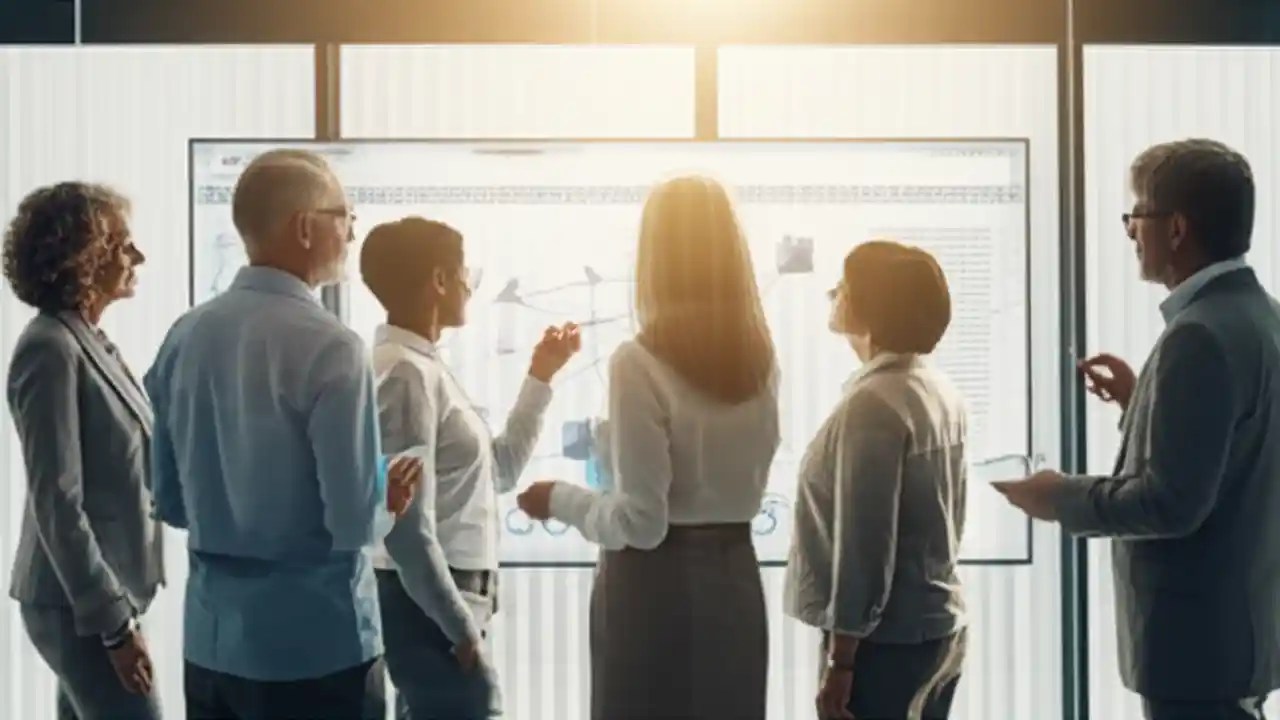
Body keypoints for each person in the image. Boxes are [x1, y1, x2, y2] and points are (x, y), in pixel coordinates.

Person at [996, 139, 1280, 720]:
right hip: (1238, 637)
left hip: (1197, 652)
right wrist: (1139, 402)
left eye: (1136, 215)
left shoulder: (1197, 336)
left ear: (1176, 229)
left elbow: (1173, 505)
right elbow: (1236, 452)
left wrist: (1060, 498)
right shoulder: (1259, 316)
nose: (1129, 230)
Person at [143, 149, 424, 720]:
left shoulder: (185, 335)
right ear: (304, 226)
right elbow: (351, 524)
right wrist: (386, 501)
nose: (350, 232)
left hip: (211, 646)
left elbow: (170, 502)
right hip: (316, 651)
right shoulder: (333, 348)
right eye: (345, 215)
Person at [517, 175, 780, 720]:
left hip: (655, 590)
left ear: (654, 258)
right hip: (735, 583)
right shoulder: (761, 360)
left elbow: (642, 523)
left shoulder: (638, 362)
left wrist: (558, 501)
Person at [359, 216, 579, 719]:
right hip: (429, 607)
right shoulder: (404, 374)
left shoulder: (423, 365)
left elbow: (497, 472)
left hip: (441, 603)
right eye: (464, 274)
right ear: (438, 280)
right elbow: (404, 528)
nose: (469, 286)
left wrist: (540, 376)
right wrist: (457, 627)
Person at [785, 240, 967, 720]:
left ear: (869, 306)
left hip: (882, 644)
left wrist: (841, 661)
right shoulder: (935, 390)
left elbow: (865, 542)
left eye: (842, 287)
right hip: (935, 626)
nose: (833, 294)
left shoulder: (874, 404)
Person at [4, 182, 163, 720]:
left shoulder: (87, 340)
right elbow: (58, 501)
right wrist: (115, 626)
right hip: (77, 604)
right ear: (83, 258)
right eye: (121, 245)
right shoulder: (49, 348)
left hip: (95, 597)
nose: (136, 256)